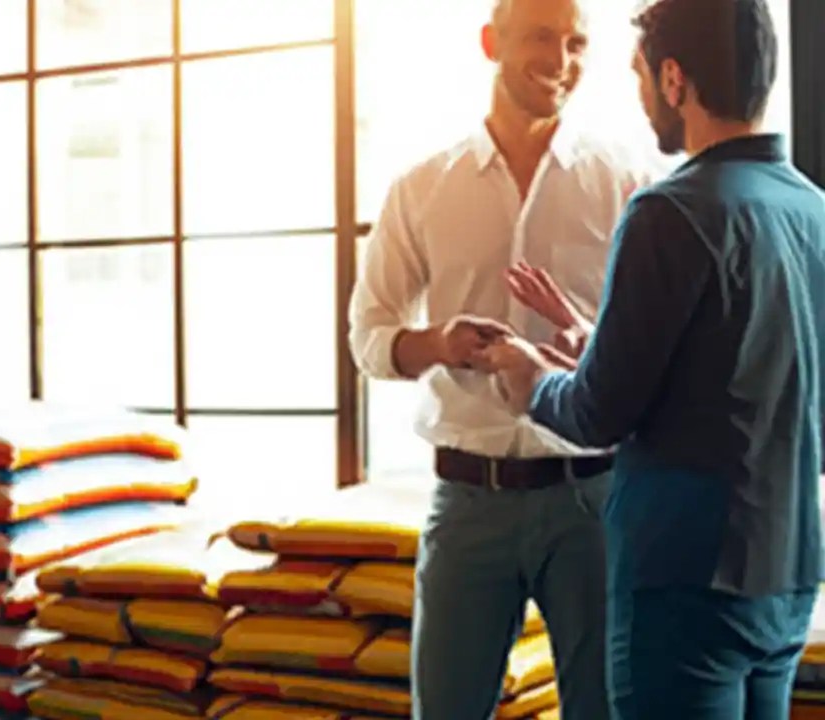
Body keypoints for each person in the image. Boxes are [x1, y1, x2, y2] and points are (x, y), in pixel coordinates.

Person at [484, 0, 825, 716]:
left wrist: (529, 378)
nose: (641, 99)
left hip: (685, 582)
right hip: (788, 573)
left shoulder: (668, 211)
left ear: (675, 79)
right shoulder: (812, 211)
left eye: (640, 74)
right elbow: (756, 373)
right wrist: (596, 340)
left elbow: (597, 412)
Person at [347, 0, 651, 715]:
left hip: (594, 499)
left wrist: (588, 341)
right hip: (468, 501)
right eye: (542, 37)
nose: (562, 59)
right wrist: (438, 342)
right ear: (491, 42)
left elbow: (651, 342)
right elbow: (369, 331)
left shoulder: (626, 180)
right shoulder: (422, 187)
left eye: (577, 42)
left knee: (605, 709)